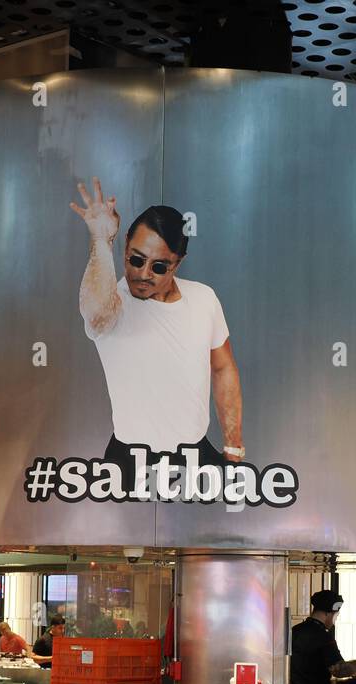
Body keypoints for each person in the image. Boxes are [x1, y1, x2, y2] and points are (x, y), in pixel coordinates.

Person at [72, 179, 244, 489]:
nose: (142, 273)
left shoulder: (204, 298)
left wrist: (232, 446)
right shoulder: (113, 303)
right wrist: (100, 240)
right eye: (135, 259)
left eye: (159, 266)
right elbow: (95, 313)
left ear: (179, 263)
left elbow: (223, 366)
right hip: (128, 464)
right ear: (125, 245)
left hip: (196, 458)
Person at [288, 589, 356, 684]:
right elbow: (338, 670)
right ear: (328, 613)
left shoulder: (294, 631)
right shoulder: (324, 637)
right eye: (336, 615)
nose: (335, 619)